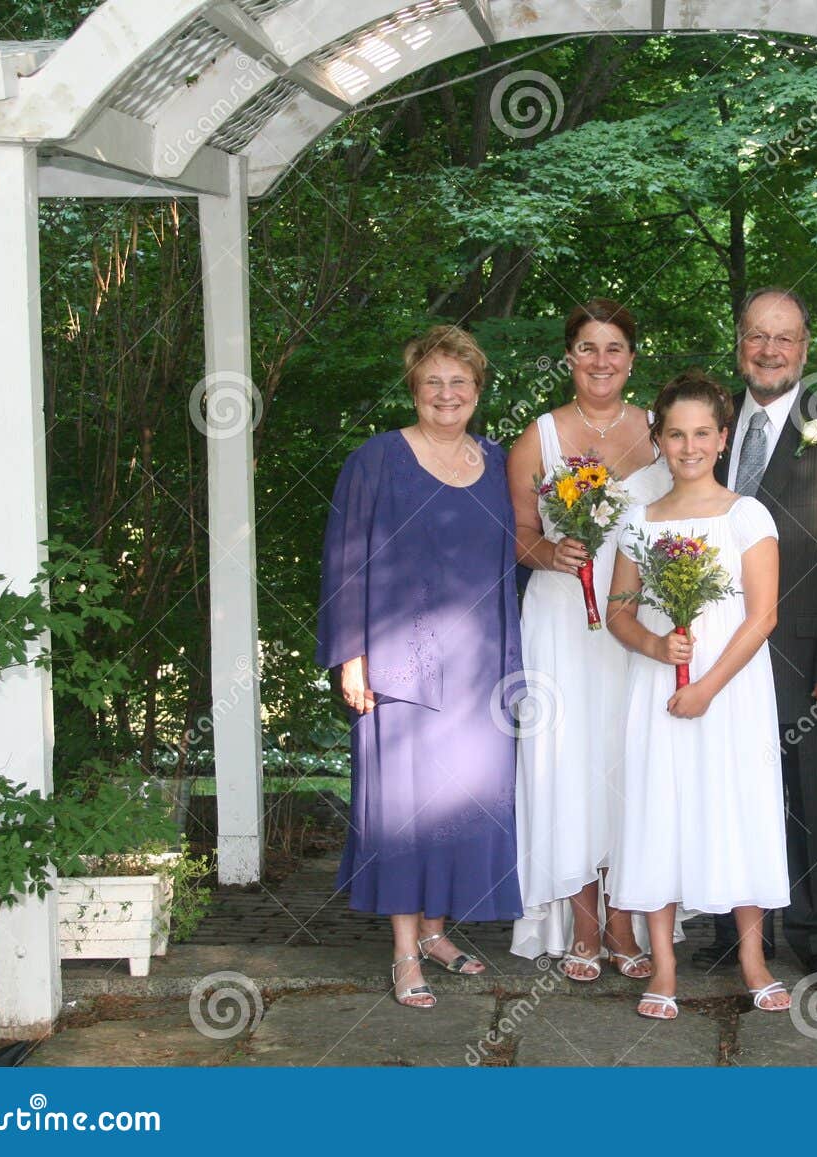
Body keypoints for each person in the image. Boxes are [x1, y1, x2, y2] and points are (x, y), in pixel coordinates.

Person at [314, 325, 524, 1009]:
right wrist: (351, 653)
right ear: (414, 387)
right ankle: (405, 950)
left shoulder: (498, 462)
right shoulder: (374, 460)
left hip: (478, 668)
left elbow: (520, 557)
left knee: (461, 803)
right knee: (403, 807)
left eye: (459, 382)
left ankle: (438, 932)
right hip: (399, 665)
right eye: (433, 381)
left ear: (477, 389)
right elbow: (344, 563)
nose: (446, 393)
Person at [693, 288, 817, 978]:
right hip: (718, 654)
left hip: (808, 656)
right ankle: (734, 932)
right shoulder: (705, 432)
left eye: (785, 338)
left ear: (805, 349)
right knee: (727, 791)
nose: (769, 350)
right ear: (739, 341)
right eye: (756, 336)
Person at [606, 369, 791, 1020]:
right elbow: (619, 611)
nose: (688, 446)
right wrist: (657, 648)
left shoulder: (748, 514)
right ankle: (663, 964)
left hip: (729, 690)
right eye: (675, 433)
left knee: (737, 804)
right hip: (659, 689)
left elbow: (762, 616)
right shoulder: (640, 519)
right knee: (659, 808)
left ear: (721, 439)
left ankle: (752, 959)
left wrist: (708, 687)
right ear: (658, 439)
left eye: (702, 433)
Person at [507, 299, 671, 981]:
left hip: (638, 621)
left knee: (630, 761)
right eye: (587, 347)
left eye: (614, 348)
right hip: (563, 621)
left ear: (632, 358)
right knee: (568, 761)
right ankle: (581, 922)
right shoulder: (537, 439)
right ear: (569, 356)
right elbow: (516, 535)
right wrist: (551, 553)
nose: (601, 361)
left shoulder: (664, 434)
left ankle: (626, 919)